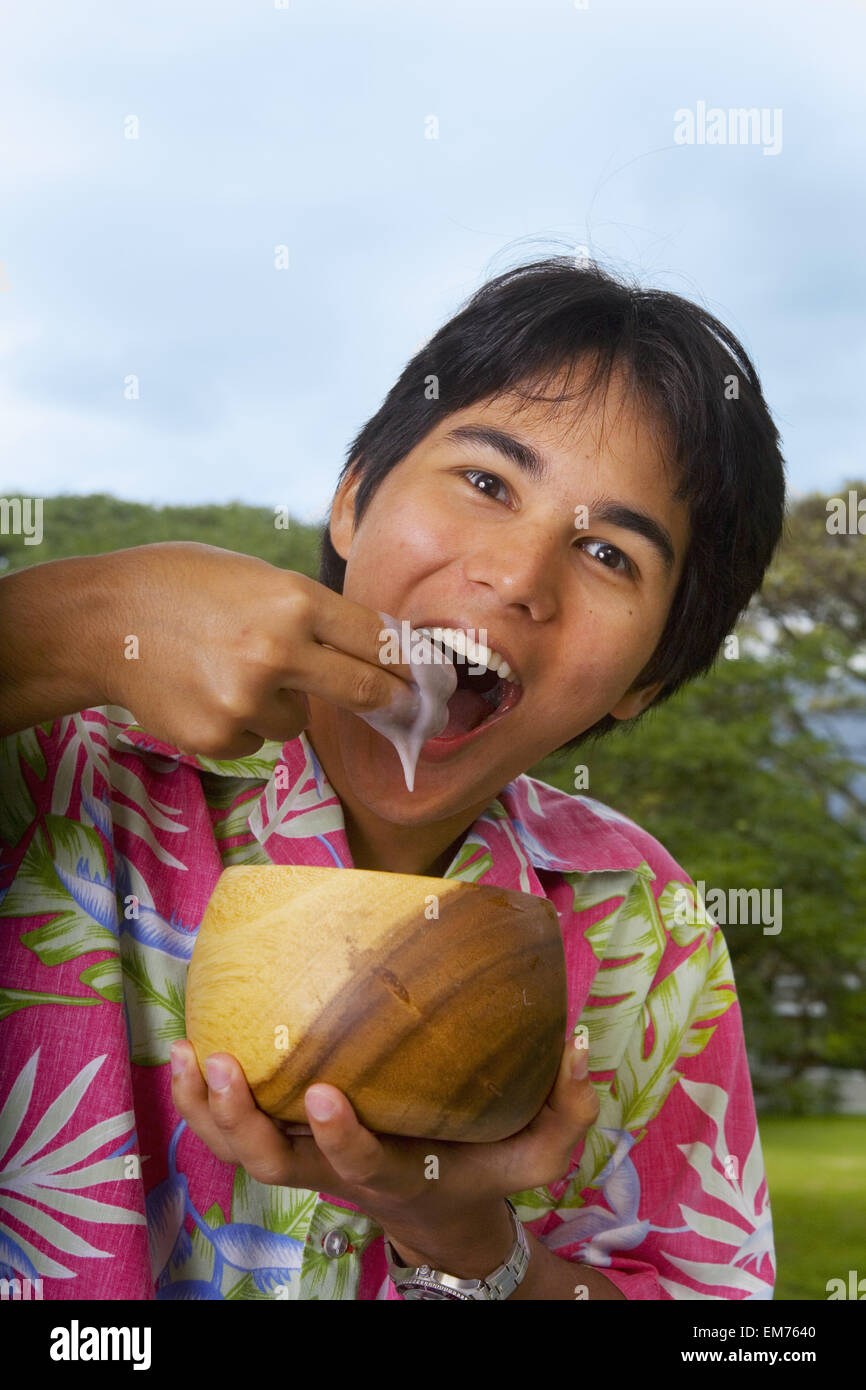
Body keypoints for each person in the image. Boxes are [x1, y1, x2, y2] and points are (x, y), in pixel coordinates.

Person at [0, 257, 784, 1300]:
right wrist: (81, 621)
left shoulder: (645, 925)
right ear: (352, 498)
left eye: (606, 553)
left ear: (646, 678)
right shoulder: (56, 767)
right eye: (486, 482)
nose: (513, 578)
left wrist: (462, 1235)